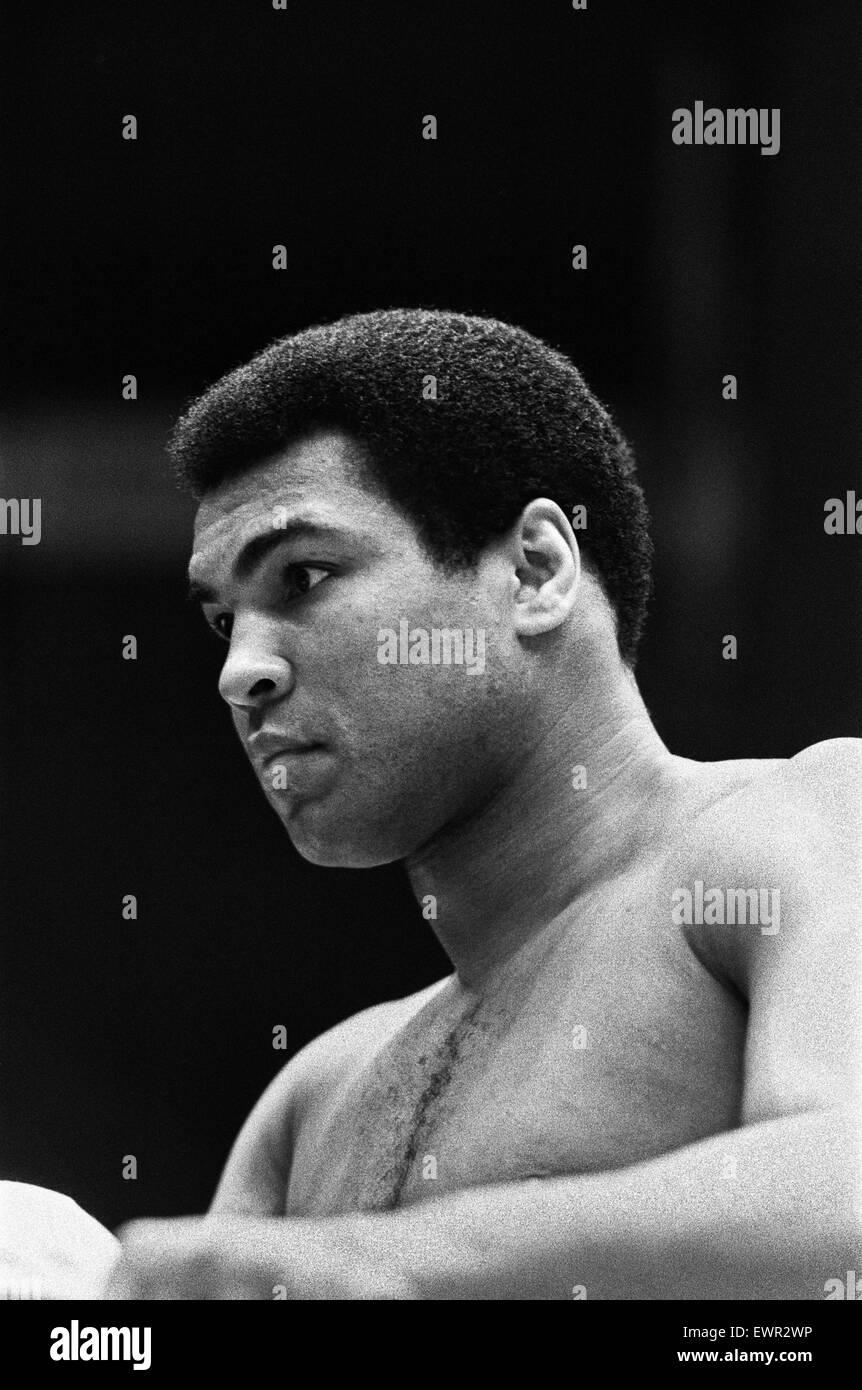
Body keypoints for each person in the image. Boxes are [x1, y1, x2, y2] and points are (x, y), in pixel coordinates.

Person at [107, 308, 859, 1299]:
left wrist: (373, 1257)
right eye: (222, 620)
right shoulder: (313, 1099)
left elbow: (846, 1199)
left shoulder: (808, 813)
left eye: (306, 575)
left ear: (536, 571)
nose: (240, 671)